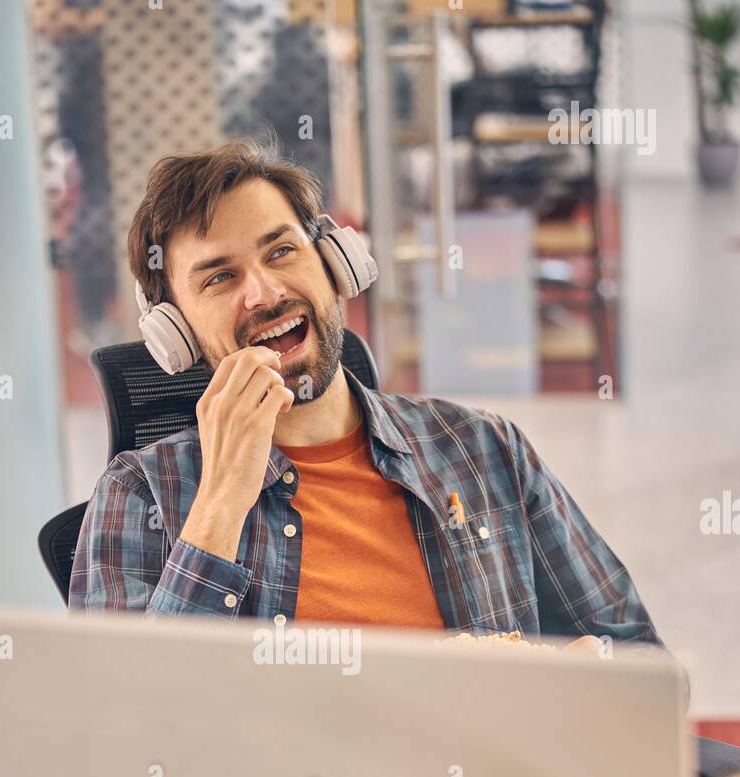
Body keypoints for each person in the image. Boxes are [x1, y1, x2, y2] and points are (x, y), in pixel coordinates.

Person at [68, 136, 663, 660]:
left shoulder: (484, 448)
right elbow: (122, 736)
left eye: (281, 251)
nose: (266, 292)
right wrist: (220, 502)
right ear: (176, 334)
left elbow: (643, 659)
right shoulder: (138, 494)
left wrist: (597, 677)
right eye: (219, 277)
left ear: (336, 265)